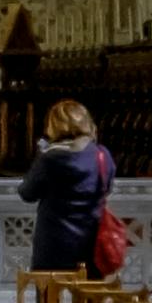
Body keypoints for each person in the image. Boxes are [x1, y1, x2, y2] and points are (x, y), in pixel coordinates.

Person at [22, 95, 115, 279]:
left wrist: (40, 157)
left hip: (53, 243)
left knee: (49, 299)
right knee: (90, 298)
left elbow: (27, 193)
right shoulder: (102, 155)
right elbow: (107, 187)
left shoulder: (50, 158)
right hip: (91, 240)